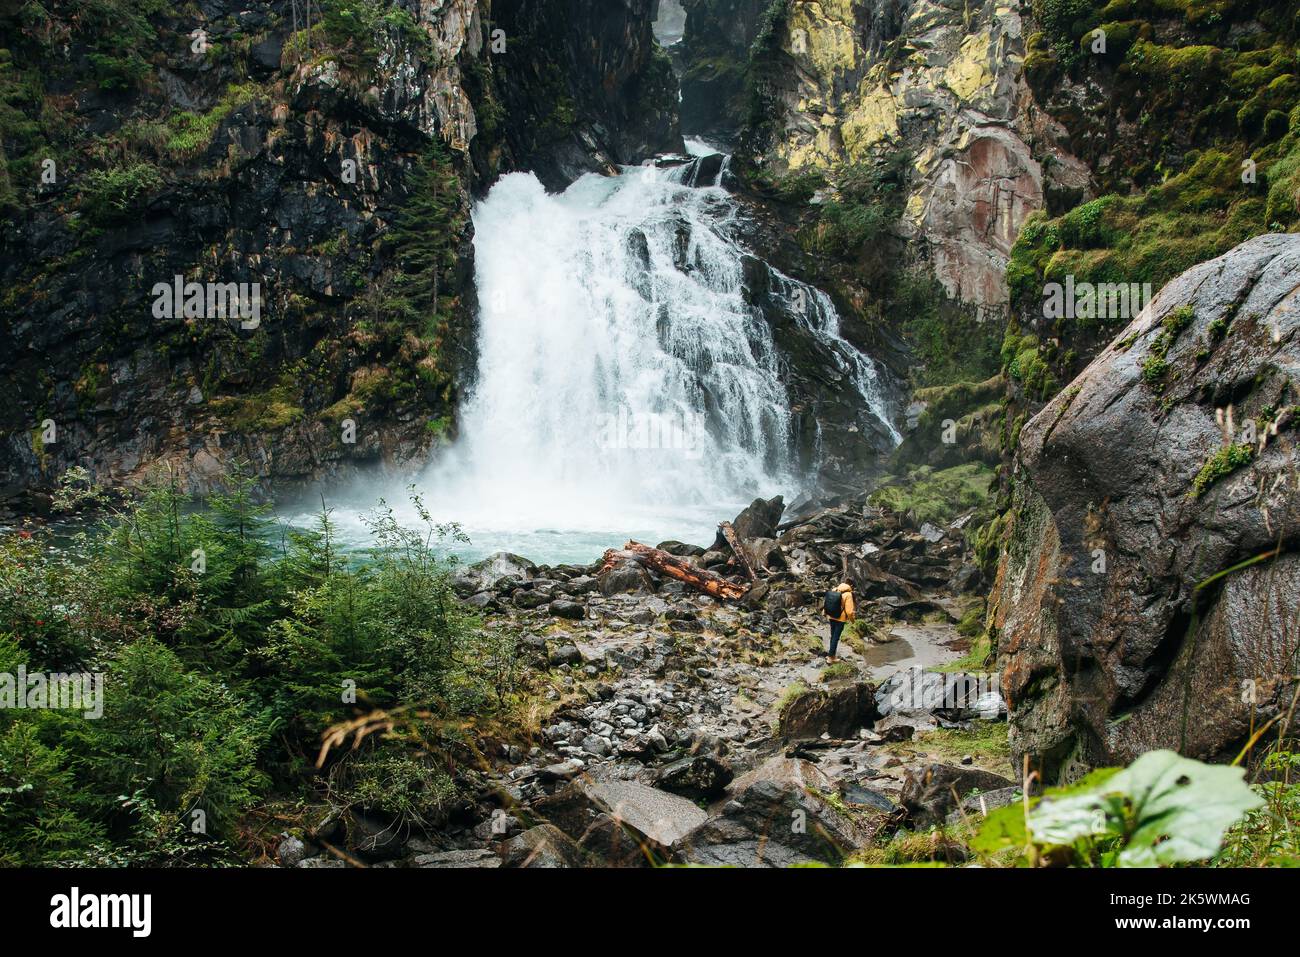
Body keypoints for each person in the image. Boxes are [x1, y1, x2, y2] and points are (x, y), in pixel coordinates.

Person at [823, 582, 855, 662]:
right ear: (850, 586)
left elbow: (827, 602)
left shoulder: (835, 589)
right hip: (840, 619)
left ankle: (830, 654)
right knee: (835, 638)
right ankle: (831, 657)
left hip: (831, 616)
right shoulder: (848, 595)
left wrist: (824, 612)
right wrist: (852, 620)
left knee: (833, 635)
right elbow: (849, 612)